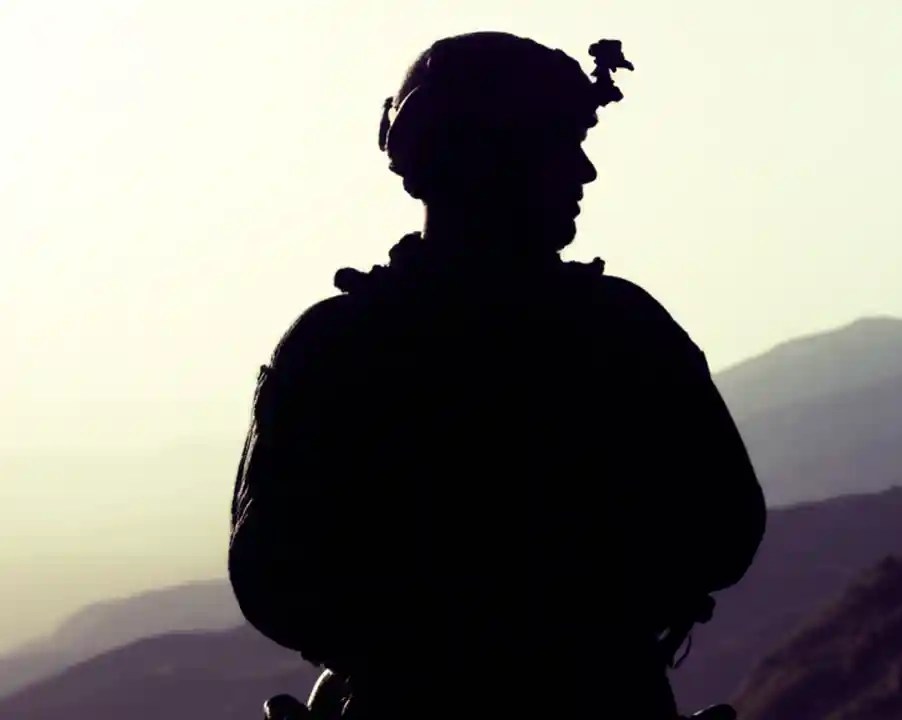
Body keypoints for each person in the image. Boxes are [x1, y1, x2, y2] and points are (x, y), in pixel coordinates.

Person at [228, 31, 766, 720]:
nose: (585, 172)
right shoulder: (621, 331)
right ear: (489, 157)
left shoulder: (336, 344)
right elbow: (722, 530)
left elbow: (272, 575)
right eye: (557, 147)